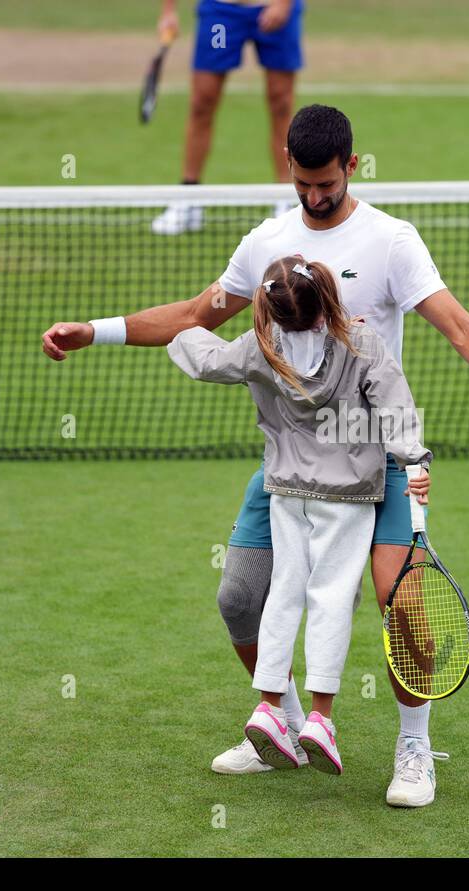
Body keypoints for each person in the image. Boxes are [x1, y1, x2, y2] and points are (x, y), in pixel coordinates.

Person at [41, 103, 469, 808]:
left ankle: (414, 746)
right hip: (289, 464)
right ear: (288, 164)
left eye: (328, 184)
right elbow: (196, 317)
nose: (315, 197)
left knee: (404, 603)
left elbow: (459, 327)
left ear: (352, 166)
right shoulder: (267, 242)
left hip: (375, 461)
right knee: (238, 598)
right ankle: (283, 724)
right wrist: (93, 331)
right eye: (304, 182)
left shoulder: (391, 241)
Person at [168, 255, 431, 775]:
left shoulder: (260, 346)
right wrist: (415, 460)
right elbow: (395, 407)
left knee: (284, 594)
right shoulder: (362, 342)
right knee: (330, 598)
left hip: (286, 493)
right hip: (349, 497)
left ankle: (270, 707)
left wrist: (182, 328)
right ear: (328, 299)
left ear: (270, 308)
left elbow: (205, 360)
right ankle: (320, 718)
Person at [151, 0, 303, 235]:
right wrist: (169, 12)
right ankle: (188, 197)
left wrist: (284, 4)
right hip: (221, 13)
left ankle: (285, 200)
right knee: (202, 101)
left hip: (273, 6)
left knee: (281, 103)